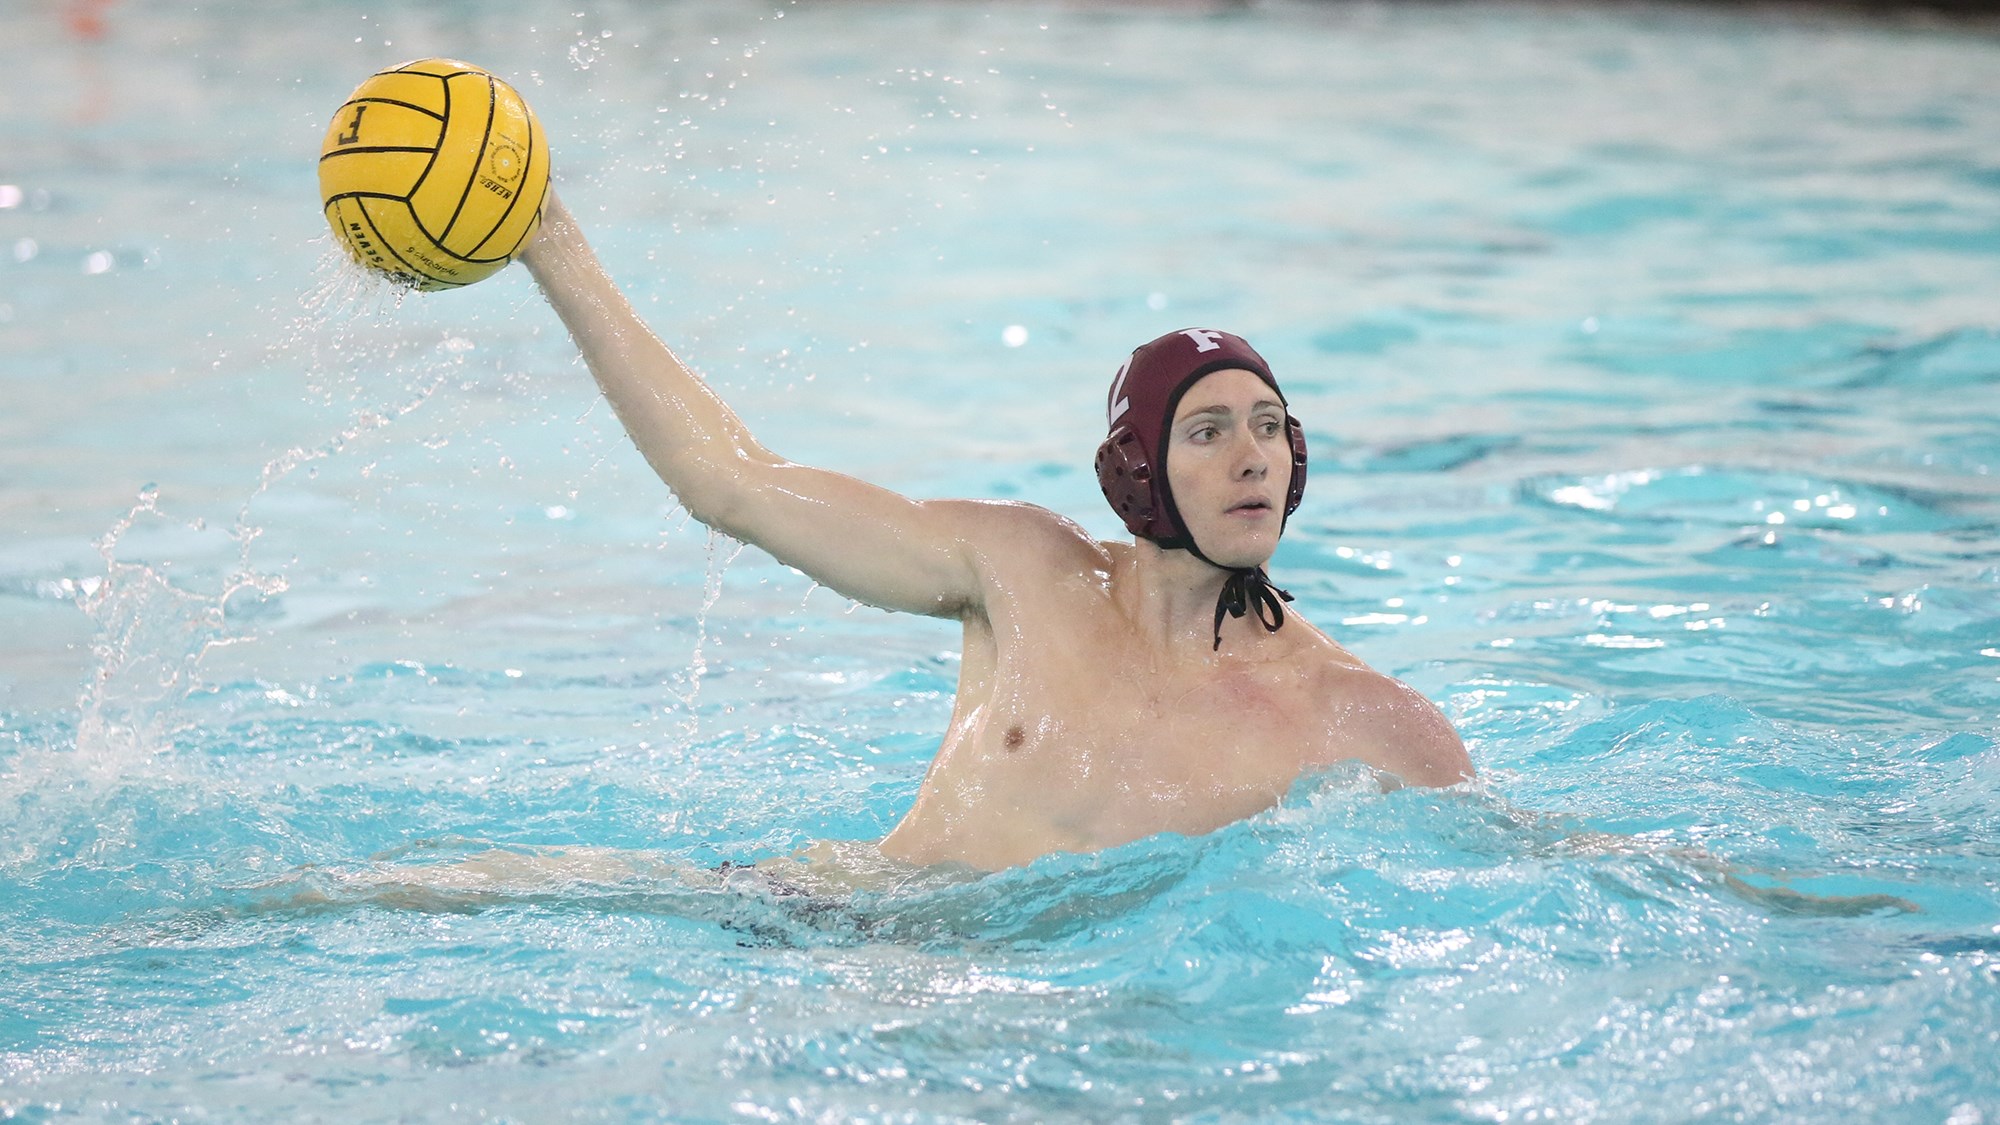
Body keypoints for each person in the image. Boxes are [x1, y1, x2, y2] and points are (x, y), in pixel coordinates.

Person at [517, 191, 1473, 876]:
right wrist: (553, 241)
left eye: (1270, 427)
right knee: (450, 892)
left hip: (1053, 1034)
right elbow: (731, 485)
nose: (1253, 458)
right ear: (1133, 473)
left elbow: (1529, 855)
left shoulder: (1359, 717)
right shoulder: (1020, 571)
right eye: (1208, 432)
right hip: (819, 927)